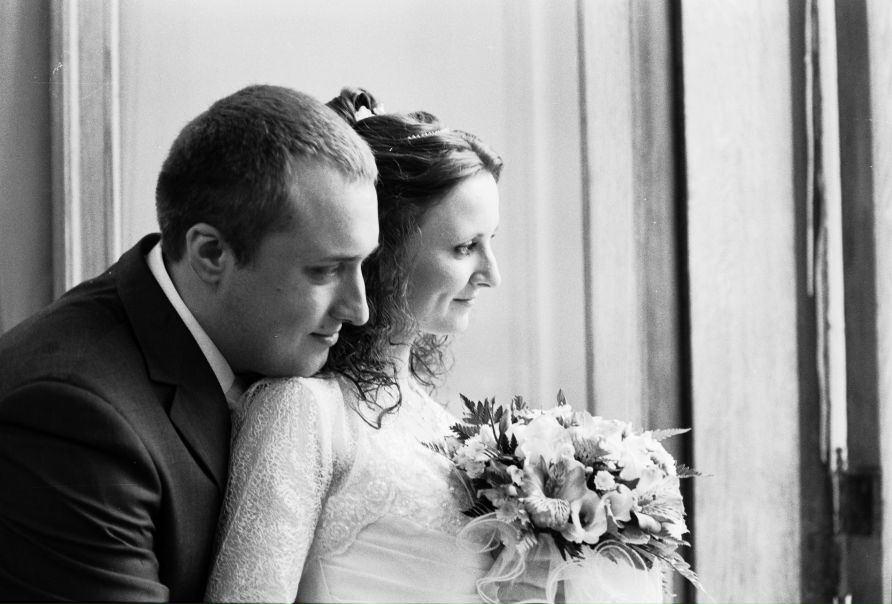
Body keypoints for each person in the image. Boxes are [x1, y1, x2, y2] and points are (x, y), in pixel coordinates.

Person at [0, 85, 379, 601]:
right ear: (210, 253)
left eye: (363, 265)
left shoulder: (256, 343)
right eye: (325, 271)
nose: (359, 309)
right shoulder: (70, 416)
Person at [204, 88, 503, 603]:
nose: (491, 274)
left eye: (490, 242)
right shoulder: (302, 410)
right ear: (384, 253)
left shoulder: (445, 426)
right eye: (464, 247)